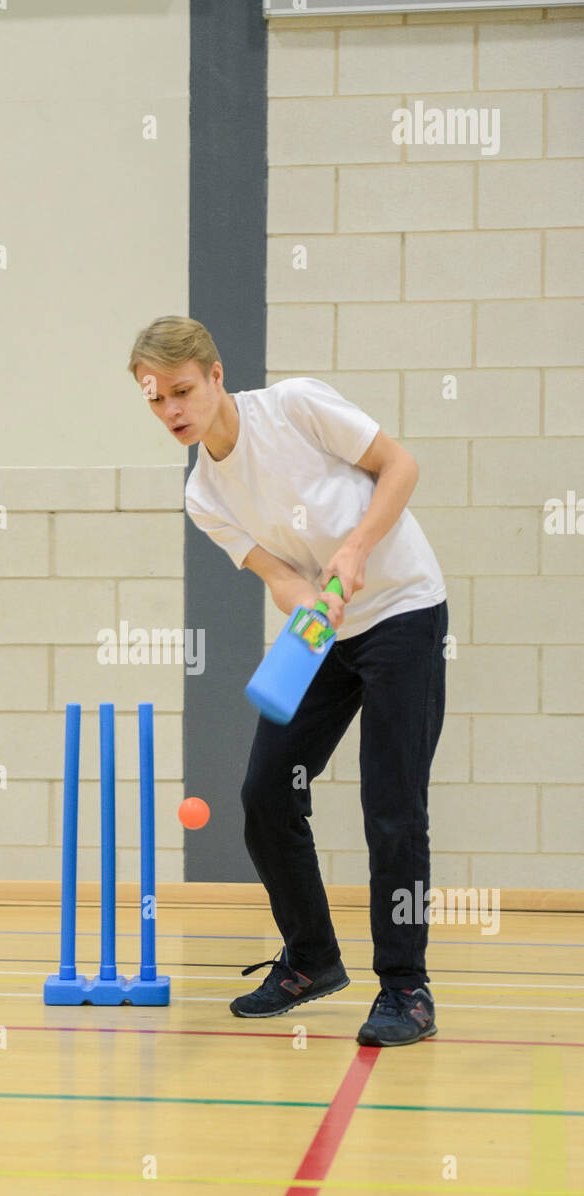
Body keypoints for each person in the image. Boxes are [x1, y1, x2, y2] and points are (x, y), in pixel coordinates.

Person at [128, 315, 448, 1047]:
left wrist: (357, 547)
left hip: (401, 608)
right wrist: (307, 601)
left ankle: (406, 988)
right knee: (265, 793)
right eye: (155, 400)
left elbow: (400, 465)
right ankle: (311, 958)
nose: (171, 411)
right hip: (323, 632)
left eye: (182, 391)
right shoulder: (204, 495)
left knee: (392, 808)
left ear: (214, 376)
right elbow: (277, 576)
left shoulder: (295, 407)